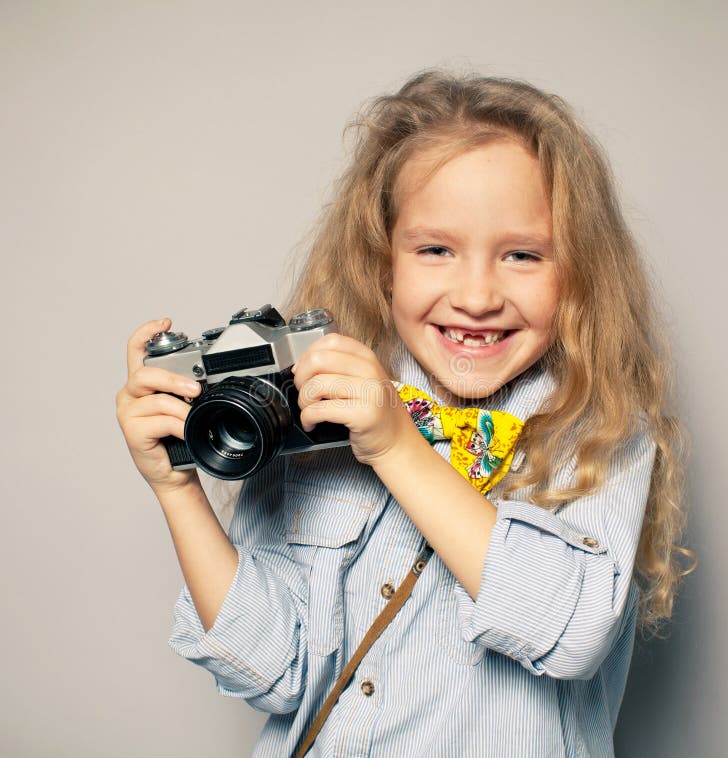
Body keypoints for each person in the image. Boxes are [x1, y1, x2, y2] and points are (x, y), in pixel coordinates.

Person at [115, 69, 694, 757]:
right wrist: (177, 489)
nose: (476, 295)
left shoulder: (598, 430)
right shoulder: (316, 406)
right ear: (382, 261)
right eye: (435, 250)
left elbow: (569, 631)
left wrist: (397, 446)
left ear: (581, 272)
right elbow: (270, 671)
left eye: (522, 255)